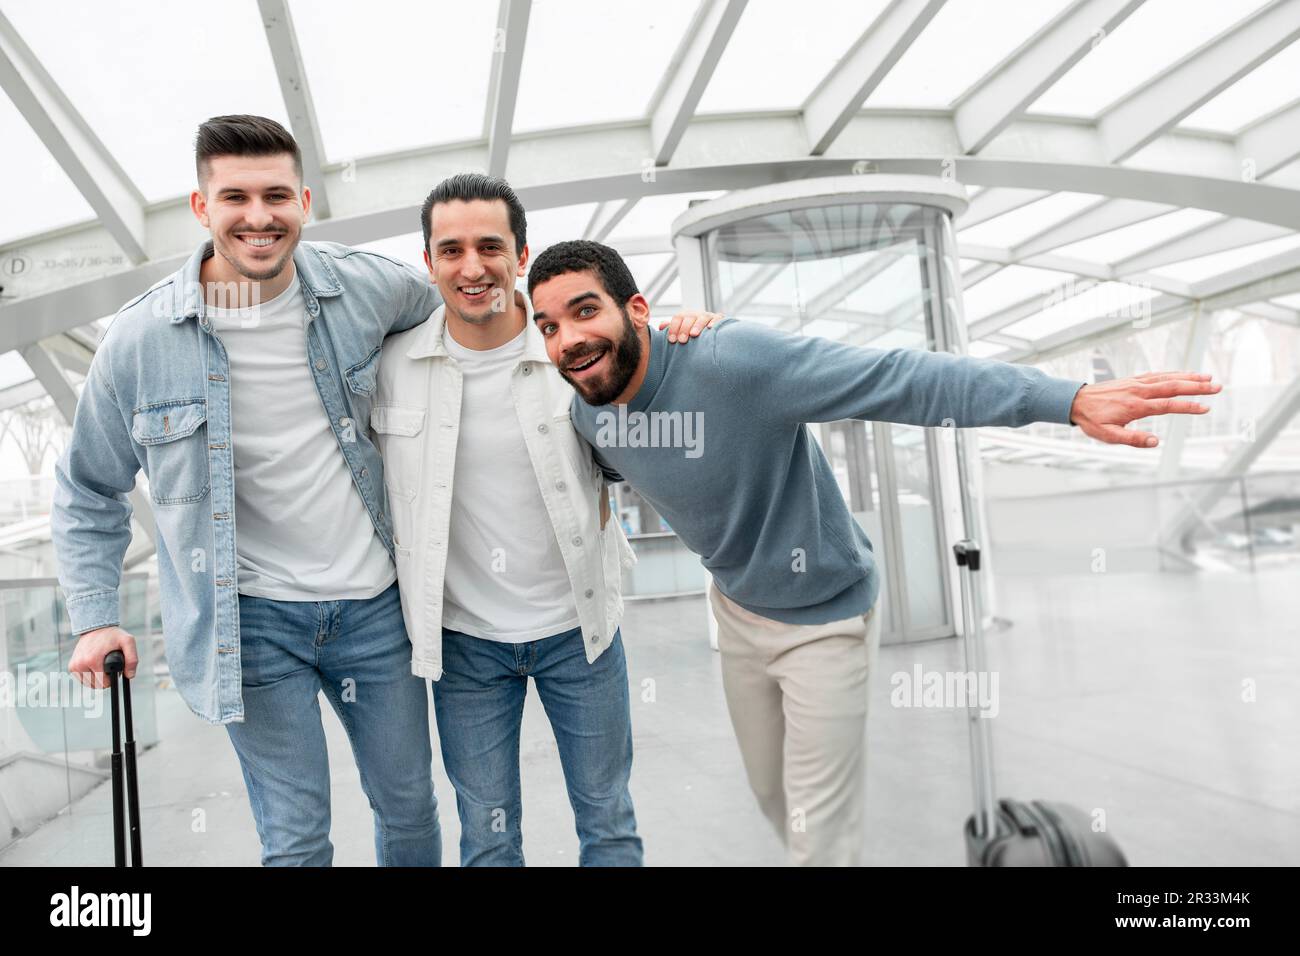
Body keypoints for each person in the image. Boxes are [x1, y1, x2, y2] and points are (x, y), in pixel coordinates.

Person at [527, 238, 1220, 866]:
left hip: (825, 619)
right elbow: (615, 472)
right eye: (549, 326)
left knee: (820, 838)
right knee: (776, 800)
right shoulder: (590, 413)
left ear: (638, 308)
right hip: (737, 611)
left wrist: (1066, 398)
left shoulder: (732, 361)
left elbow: (901, 377)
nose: (568, 340)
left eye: (585, 311)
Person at [53, 115, 444, 866]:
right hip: (250, 622)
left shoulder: (368, 288)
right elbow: (87, 488)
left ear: (303, 201)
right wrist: (95, 618)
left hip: (376, 607)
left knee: (408, 805)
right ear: (202, 208)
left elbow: (460, 324)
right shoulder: (141, 341)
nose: (258, 217)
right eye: (235, 196)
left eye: (276, 196)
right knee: (295, 839)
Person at [372, 173, 715, 866]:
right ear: (429, 260)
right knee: (488, 840)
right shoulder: (394, 365)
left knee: (609, 823)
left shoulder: (573, 350)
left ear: (521, 255)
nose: (473, 267)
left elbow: (658, 381)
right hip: (465, 645)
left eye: (491, 246)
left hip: (580, 633)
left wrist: (698, 336)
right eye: (451, 249)